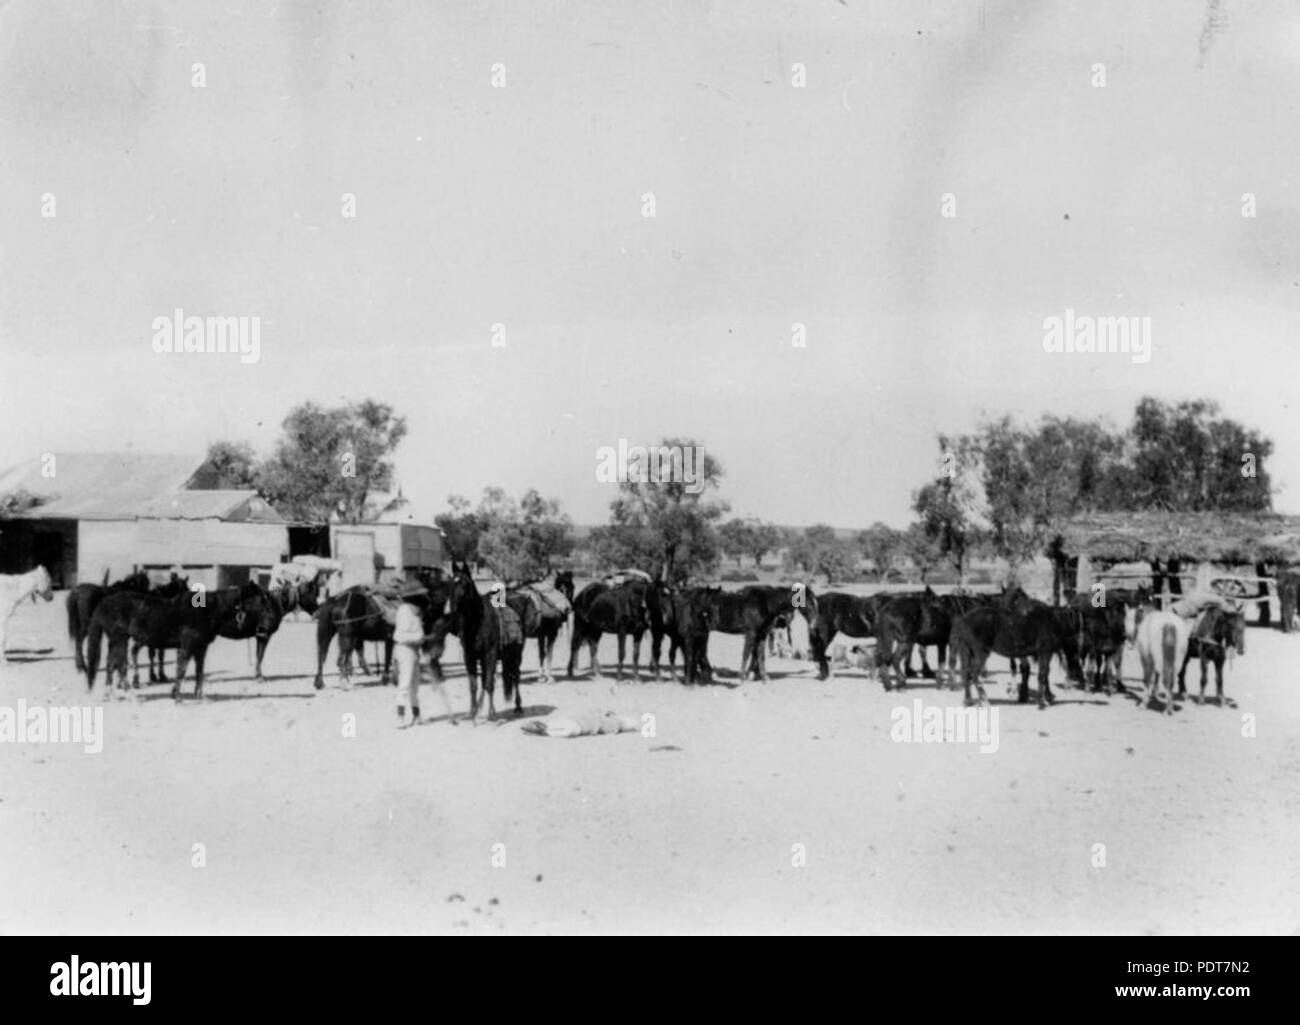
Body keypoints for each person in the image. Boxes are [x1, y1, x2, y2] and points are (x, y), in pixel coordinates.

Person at [393, 581, 454, 728]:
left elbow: (417, 634)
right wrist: (421, 639)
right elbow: (399, 635)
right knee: (405, 684)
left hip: (414, 651)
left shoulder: (416, 612)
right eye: (418, 596)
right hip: (404, 650)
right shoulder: (403, 611)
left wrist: (423, 647)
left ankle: (417, 715)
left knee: (415, 686)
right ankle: (400, 718)